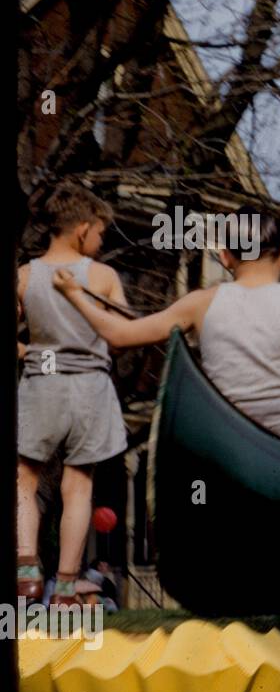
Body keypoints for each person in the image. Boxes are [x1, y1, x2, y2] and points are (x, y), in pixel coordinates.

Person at [54, 202, 280, 457]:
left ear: (225, 256)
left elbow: (120, 335)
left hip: (225, 446)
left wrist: (76, 297)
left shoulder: (199, 303)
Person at [16, 184, 126, 604]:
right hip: (90, 391)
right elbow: (118, 336)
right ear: (82, 229)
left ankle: (27, 571)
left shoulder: (25, 275)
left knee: (25, 480)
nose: (101, 241)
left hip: (42, 387)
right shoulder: (102, 277)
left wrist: (32, 352)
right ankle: (64, 586)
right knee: (78, 487)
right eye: (99, 233)